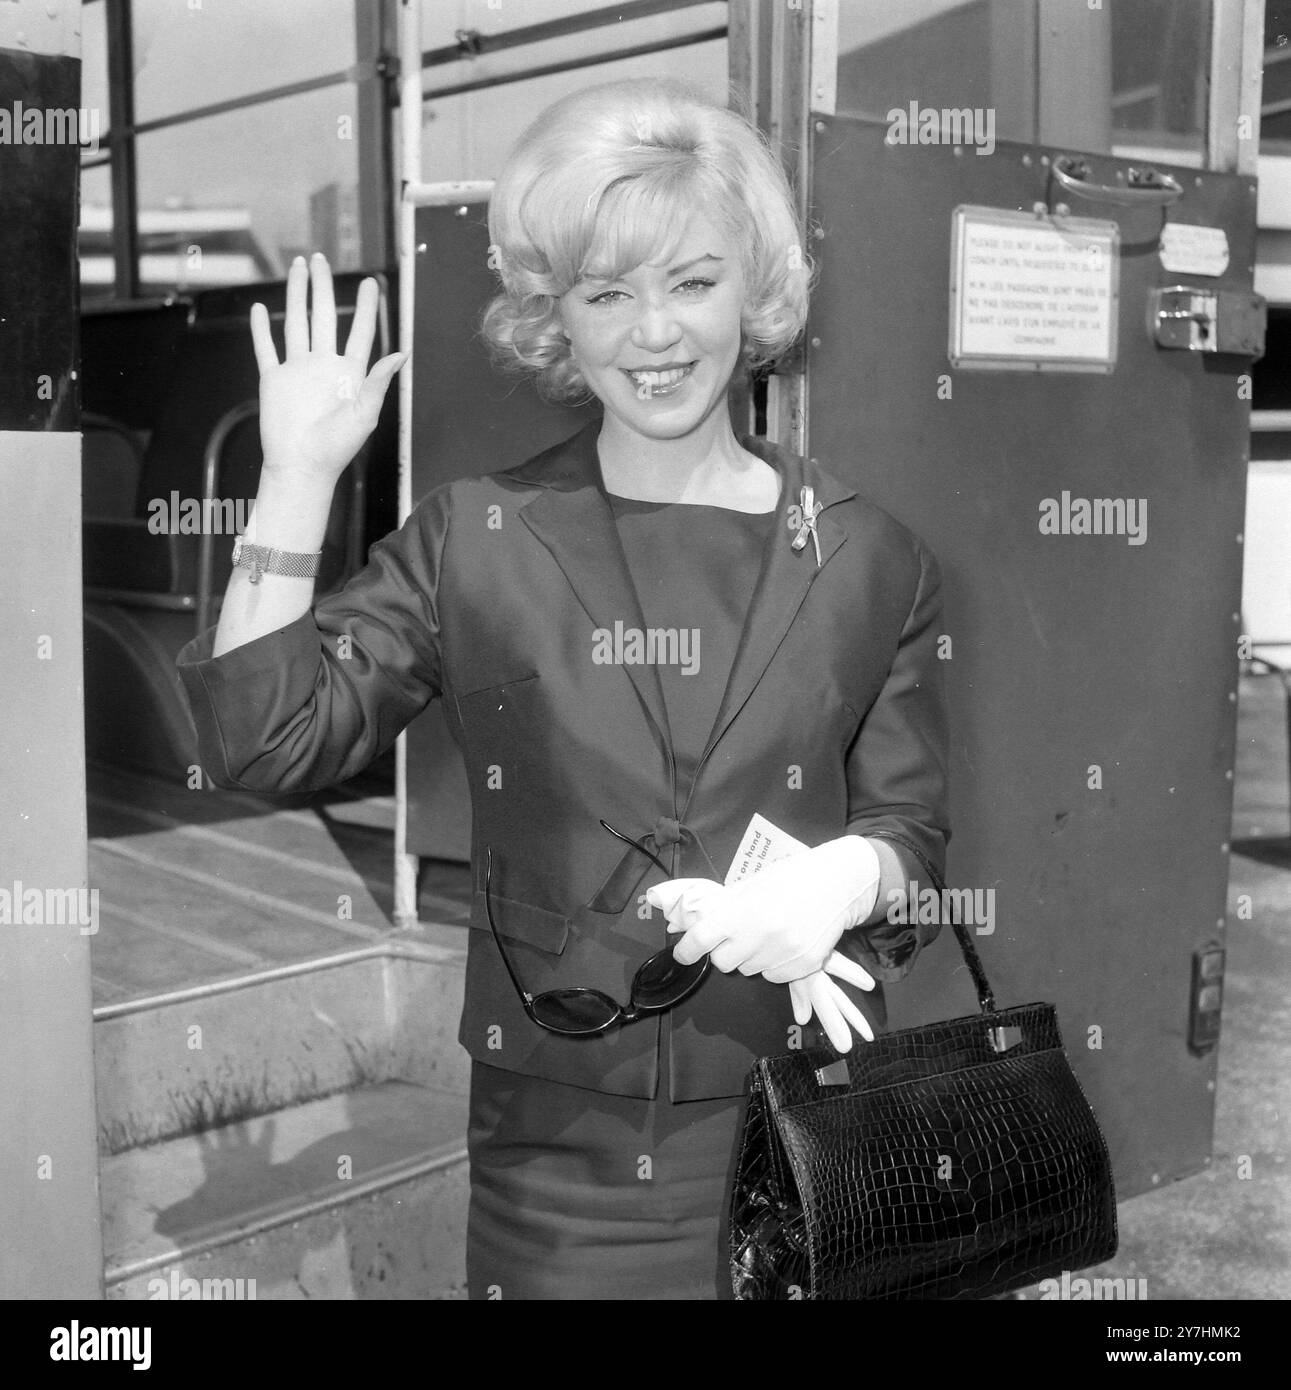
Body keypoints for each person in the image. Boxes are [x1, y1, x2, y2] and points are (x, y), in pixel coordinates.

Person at [176, 76, 950, 1301]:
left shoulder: (870, 557)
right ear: (558, 320)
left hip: (803, 1121)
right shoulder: (477, 538)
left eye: (692, 282)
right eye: (608, 293)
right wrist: (293, 483)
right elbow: (267, 742)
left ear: (755, 297)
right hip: (561, 1149)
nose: (655, 334)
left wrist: (843, 879)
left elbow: (911, 833)